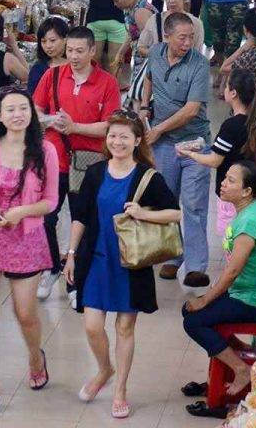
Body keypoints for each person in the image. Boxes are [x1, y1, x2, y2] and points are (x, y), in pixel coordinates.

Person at [63, 110, 180, 419]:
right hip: (96, 259)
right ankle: (105, 369)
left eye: (124, 137)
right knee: (92, 326)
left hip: (130, 265)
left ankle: (120, 390)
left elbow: (175, 212)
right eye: (112, 136)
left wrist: (144, 213)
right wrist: (71, 253)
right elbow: (80, 217)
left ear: (137, 140)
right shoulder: (95, 173)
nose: (117, 142)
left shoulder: (147, 176)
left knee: (125, 327)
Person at [0, 87, 59, 416]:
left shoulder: (45, 150)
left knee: (25, 313)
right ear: (0, 116)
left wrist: (20, 213)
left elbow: (50, 201)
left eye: (23, 108)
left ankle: (35, 357)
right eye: (10, 109)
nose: (17, 114)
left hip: (26, 237)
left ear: (31, 113)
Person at [32, 26, 120, 301]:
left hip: (88, 163)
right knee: (46, 216)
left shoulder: (107, 83)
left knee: (82, 219)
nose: (73, 56)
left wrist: (75, 127)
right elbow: (36, 110)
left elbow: (110, 126)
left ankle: (76, 280)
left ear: (93, 51)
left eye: (80, 51)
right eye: (69, 50)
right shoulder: (53, 75)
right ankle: (51, 267)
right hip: (55, 159)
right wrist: (49, 121)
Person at [182, 161, 256, 398]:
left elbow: (232, 272)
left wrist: (205, 299)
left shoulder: (249, 222)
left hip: (251, 300)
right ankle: (232, 358)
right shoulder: (249, 210)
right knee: (188, 310)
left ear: (247, 191)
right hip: (242, 291)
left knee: (194, 321)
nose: (223, 183)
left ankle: (241, 369)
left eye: (231, 181)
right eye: (224, 178)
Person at [140, 13, 211, 287]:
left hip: (194, 144)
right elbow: (148, 78)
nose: (187, 43)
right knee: (167, 200)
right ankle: (173, 255)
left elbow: (192, 110)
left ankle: (196, 266)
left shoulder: (199, 64)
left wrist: (158, 129)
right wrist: (145, 106)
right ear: (167, 36)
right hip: (164, 146)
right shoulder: (155, 53)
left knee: (193, 203)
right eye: (182, 38)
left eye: (191, 37)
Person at [177, 69, 256, 237]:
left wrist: (190, 154)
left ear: (233, 93)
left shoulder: (231, 126)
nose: (224, 89)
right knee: (249, 232)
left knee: (231, 236)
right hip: (252, 188)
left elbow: (215, 160)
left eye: (227, 86)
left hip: (231, 191)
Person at [106, 0, 157, 95]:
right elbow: (131, 34)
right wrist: (120, 53)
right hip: (141, 57)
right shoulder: (129, 7)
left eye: (116, 0)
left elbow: (151, 43)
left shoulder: (140, 12)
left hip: (147, 61)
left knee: (140, 94)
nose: (115, 4)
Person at [221, 7, 256, 98]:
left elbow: (223, 68)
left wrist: (243, 48)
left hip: (245, 102)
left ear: (245, 28)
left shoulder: (250, 55)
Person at [28, 15, 69, 95]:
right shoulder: (38, 69)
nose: (48, 46)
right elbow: (32, 97)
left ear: (65, 39)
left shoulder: (76, 66)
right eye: (43, 41)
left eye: (52, 40)